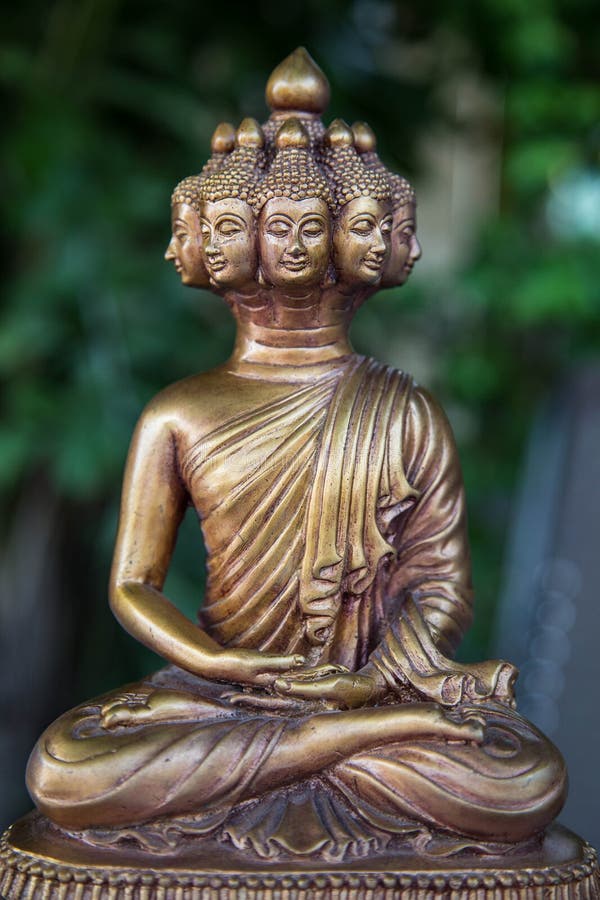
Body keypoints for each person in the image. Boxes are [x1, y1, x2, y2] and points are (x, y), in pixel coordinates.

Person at [25, 51, 567, 862]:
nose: (295, 247)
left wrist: (368, 680)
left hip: (359, 689)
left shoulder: (404, 410)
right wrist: (217, 659)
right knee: (66, 770)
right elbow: (133, 584)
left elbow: (440, 586)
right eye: (274, 226)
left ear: (370, 241)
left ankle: (346, 736)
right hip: (220, 695)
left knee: (522, 779)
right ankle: (344, 746)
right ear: (218, 241)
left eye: (316, 225)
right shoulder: (181, 411)